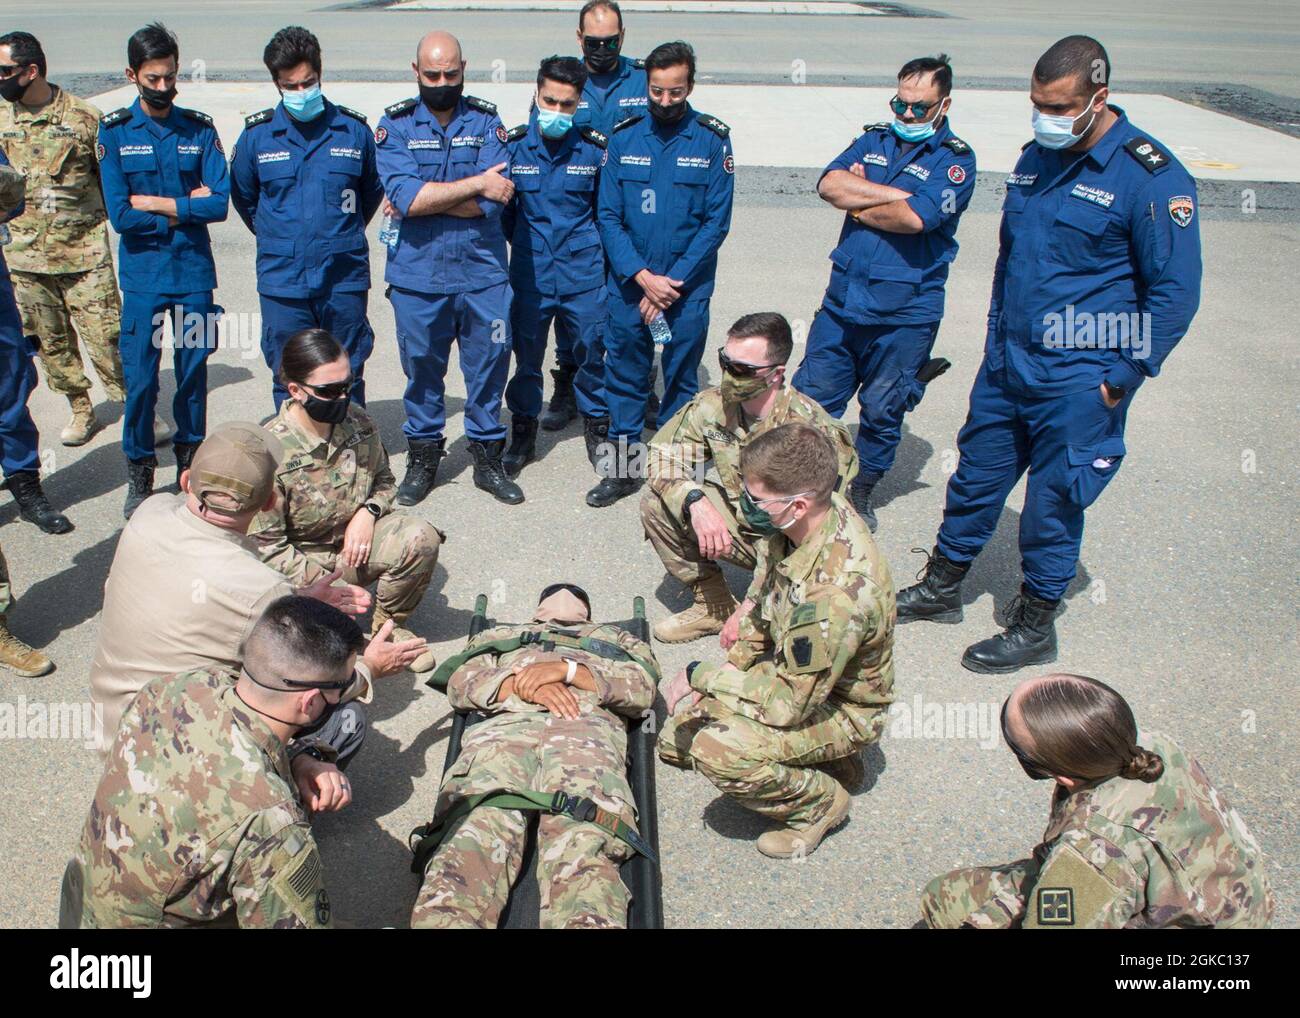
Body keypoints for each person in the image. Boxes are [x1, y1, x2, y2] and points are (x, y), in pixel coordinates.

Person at [895, 36, 1202, 674]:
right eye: (1038, 104)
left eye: (1060, 107)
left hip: (1083, 377)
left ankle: (1035, 622)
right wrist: (996, 342)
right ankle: (943, 587)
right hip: (1009, 365)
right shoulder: (1037, 157)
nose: (1046, 117)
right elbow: (1015, 262)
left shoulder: (1151, 177)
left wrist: (1122, 377)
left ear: (1099, 98)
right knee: (975, 478)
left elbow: (1173, 295)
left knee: (1053, 501)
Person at [89, 418, 424, 755]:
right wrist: (371, 667)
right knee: (344, 718)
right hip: (181, 765)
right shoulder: (262, 590)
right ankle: (283, 799)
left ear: (186, 480)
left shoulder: (150, 511)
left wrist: (297, 598)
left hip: (115, 736)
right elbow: (306, 684)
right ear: (267, 504)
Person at [658, 423, 894, 859]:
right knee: (675, 741)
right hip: (799, 677)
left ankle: (819, 804)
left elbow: (787, 705)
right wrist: (733, 665)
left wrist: (703, 676)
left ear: (798, 504)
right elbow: (765, 598)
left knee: (714, 750)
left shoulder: (835, 597)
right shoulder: (801, 523)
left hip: (840, 707)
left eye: (755, 498)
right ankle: (826, 761)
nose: (747, 506)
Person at [62, 596, 369, 928]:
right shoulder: (270, 821)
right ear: (310, 702)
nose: (343, 695)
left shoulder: (176, 687)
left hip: (80, 906)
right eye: (344, 685)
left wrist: (298, 758)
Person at [922, 673, 1275, 929]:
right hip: (1239, 901)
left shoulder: (1094, 850)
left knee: (944, 899)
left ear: (1061, 777)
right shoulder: (1153, 746)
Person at [791, 54, 975, 531]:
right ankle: (810, 486)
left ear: (944, 104)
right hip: (843, 305)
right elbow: (829, 185)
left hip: (904, 315)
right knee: (811, 403)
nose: (907, 115)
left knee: (881, 410)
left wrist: (864, 197)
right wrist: (896, 196)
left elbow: (918, 220)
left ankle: (863, 489)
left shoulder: (956, 160)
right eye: (901, 103)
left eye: (919, 107)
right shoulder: (873, 138)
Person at [411, 583, 656, 928]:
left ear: (587, 613)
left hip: (585, 734)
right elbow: (461, 682)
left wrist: (569, 671)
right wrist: (524, 685)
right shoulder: (501, 635)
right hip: (504, 732)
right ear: (537, 611)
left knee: (583, 847)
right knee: (472, 837)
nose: (565, 597)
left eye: (576, 596)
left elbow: (642, 690)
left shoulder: (618, 638)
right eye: (553, 595)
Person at [641, 312, 858, 644]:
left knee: (791, 644)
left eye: (742, 370)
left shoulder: (811, 432)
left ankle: (771, 610)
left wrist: (754, 607)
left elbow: (822, 530)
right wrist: (695, 502)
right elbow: (662, 457)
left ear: (776, 374)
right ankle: (713, 607)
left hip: (793, 543)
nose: (729, 375)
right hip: (744, 527)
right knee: (658, 502)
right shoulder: (714, 405)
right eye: (725, 362)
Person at [375, 31, 521, 506]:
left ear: (464, 69)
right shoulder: (393, 126)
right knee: (421, 371)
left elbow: (493, 204)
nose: (441, 82)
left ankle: (486, 456)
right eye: (432, 74)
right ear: (415, 72)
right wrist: (474, 182)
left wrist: (429, 199)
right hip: (419, 278)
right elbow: (405, 198)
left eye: (451, 74)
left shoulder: (486, 120)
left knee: (489, 371)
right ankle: (423, 457)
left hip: (482, 274)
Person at [248, 328, 442, 674]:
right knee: (314, 656)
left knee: (420, 537)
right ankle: (339, 630)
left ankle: (386, 627)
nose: (341, 396)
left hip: (355, 547)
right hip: (300, 567)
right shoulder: (271, 450)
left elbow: (384, 481)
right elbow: (268, 547)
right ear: (295, 390)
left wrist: (368, 513)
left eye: (346, 385)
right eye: (328, 390)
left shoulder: (359, 421)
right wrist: (331, 588)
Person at [591, 40, 734, 508]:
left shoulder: (712, 140)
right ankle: (622, 471)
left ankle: (676, 476)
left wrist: (669, 284)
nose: (666, 101)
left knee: (680, 379)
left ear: (690, 85)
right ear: (647, 86)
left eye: (676, 92)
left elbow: (716, 222)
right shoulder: (625, 136)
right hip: (630, 287)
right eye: (657, 92)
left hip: (686, 289)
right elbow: (608, 216)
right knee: (626, 376)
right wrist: (642, 277)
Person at [97, 22, 230, 518]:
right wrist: (184, 208)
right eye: (152, 78)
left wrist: (158, 202)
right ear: (132, 74)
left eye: (170, 76)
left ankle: (189, 467)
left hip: (194, 274)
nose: (163, 86)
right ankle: (139, 472)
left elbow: (219, 204)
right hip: (145, 279)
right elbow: (121, 215)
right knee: (143, 380)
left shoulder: (199, 128)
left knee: (193, 375)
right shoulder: (113, 133)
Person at [0, 31, 145, 448]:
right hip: (23, 257)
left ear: (31, 71)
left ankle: (137, 408)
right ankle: (81, 409)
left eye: (5, 71)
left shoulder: (85, 118)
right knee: (51, 344)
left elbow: (113, 184)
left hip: (84, 256)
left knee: (110, 339)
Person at [231, 25, 384, 411]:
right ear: (276, 83)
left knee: (348, 368)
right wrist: (282, 236)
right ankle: (296, 462)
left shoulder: (353, 131)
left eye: (308, 82)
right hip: (284, 279)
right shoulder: (257, 137)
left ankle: (353, 453)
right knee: (290, 374)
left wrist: (337, 233)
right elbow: (247, 200)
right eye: (291, 85)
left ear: (320, 73)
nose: (301, 92)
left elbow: (369, 194)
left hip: (343, 275)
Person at [536, 0, 649, 431]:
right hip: (578, 219)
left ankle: (639, 386)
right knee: (573, 312)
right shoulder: (563, 80)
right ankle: (567, 385)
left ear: (623, 37)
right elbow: (540, 143)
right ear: (579, 38)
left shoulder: (641, 79)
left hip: (627, 215)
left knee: (630, 306)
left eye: (610, 41)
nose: (602, 48)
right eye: (594, 41)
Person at [500, 56, 609, 480]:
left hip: (583, 274)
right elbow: (508, 216)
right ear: (536, 93)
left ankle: (597, 429)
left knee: (591, 353)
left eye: (568, 104)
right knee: (526, 359)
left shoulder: (595, 149)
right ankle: (523, 433)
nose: (558, 112)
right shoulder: (513, 146)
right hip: (531, 272)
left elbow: (604, 212)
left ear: (579, 101)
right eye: (551, 101)